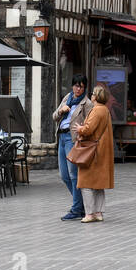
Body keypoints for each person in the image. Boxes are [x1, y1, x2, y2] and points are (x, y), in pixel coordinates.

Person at [73, 85, 114, 222]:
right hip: (102, 151)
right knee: (98, 184)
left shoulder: (96, 110)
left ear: (96, 96)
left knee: (86, 183)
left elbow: (88, 129)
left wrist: (80, 128)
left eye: (92, 94)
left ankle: (89, 213)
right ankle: (99, 212)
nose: (91, 95)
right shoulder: (106, 110)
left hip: (93, 152)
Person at [53, 77, 92, 221]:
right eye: (76, 86)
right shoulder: (67, 98)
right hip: (61, 138)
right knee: (64, 175)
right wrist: (62, 110)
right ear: (72, 86)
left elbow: (90, 124)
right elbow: (54, 116)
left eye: (81, 87)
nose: (78, 89)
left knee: (73, 174)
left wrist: (81, 133)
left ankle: (76, 209)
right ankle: (81, 206)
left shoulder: (87, 104)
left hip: (73, 139)